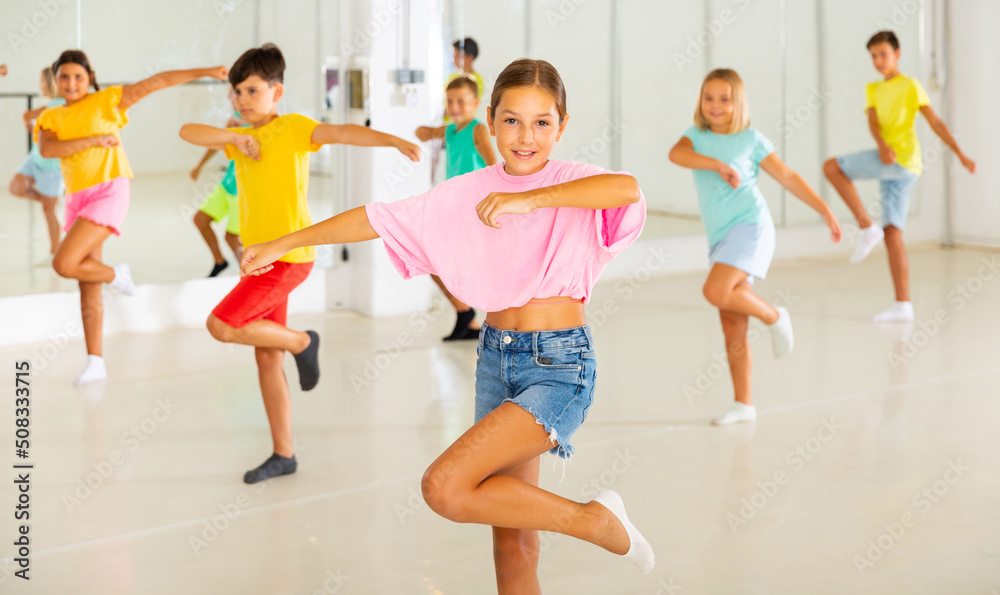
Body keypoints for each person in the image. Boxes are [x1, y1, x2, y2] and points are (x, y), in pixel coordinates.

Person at [239, 58, 654, 592]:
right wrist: (283, 243)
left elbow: (626, 189)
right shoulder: (468, 191)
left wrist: (530, 199)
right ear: (491, 119)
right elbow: (378, 217)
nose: (526, 136)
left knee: (445, 487)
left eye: (542, 122)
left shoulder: (575, 181)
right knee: (511, 538)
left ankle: (597, 521)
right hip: (496, 360)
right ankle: (593, 520)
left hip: (559, 363)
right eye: (511, 120)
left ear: (562, 125)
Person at [179, 44, 421, 484]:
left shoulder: (292, 128)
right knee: (265, 359)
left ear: (277, 91)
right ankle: (284, 454)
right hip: (259, 262)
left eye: (252, 90)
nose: (242, 99)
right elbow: (187, 131)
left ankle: (303, 343)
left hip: (289, 259)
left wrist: (393, 139)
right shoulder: (239, 139)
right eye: (236, 92)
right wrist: (233, 137)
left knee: (222, 325)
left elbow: (345, 131)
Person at [37, 50, 227, 385]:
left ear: (90, 76)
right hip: (76, 199)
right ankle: (95, 361)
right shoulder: (50, 118)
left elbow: (157, 82)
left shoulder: (108, 100)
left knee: (64, 263)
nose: (70, 83)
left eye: (78, 76)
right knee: (86, 281)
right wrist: (95, 139)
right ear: (56, 79)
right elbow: (49, 150)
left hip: (109, 190)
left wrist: (208, 70)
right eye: (63, 77)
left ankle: (116, 274)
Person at [669, 68, 842, 426]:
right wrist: (717, 165)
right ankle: (744, 404)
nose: (715, 106)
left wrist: (825, 209)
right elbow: (676, 155)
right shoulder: (695, 137)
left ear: (738, 103)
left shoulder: (751, 139)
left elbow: (788, 177)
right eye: (709, 98)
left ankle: (775, 316)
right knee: (732, 322)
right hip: (720, 237)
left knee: (715, 290)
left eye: (724, 99)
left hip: (752, 227)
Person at [823, 30, 975, 323]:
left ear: (898, 54)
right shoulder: (873, 89)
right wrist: (881, 146)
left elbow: (935, 123)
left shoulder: (910, 85)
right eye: (873, 56)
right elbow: (873, 123)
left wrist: (960, 154)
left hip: (902, 161)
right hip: (895, 165)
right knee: (893, 234)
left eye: (884, 54)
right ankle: (903, 305)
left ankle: (866, 226)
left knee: (832, 167)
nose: (878, 61)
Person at [416, 75, 497, 340]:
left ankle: (473, 315)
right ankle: (465, 315)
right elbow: (421, 132)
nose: (455, 106)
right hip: (452, 209)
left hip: (472, 212)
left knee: (449, 262)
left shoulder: (478, 130)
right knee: (427, 258)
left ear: (475, 103)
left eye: (461, 101)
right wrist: (429, 130)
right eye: (450, 101)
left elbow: (493, 166)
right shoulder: (450, 130)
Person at [9, 67, 65, 257]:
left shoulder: (58, 104)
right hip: (34, 159)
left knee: (49, 213)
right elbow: (30, 117)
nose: (39, 86)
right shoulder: (49, 107)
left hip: (52, 168)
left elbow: (28, 114)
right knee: (15, 187)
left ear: (50, 84)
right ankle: (50, 201)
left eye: (41, 82)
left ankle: (55, 251)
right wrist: (31, 124)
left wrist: (29, 120)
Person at [190, 97, 248, 277]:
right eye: (233, 93)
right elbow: (217, 142)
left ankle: (249, 275)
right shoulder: (236, 117)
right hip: (227, 185)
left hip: (243, 192)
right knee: (200, 220)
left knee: (231, 237)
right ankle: (219, 261)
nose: (233, 98)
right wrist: (200, 165)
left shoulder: (259, 124)